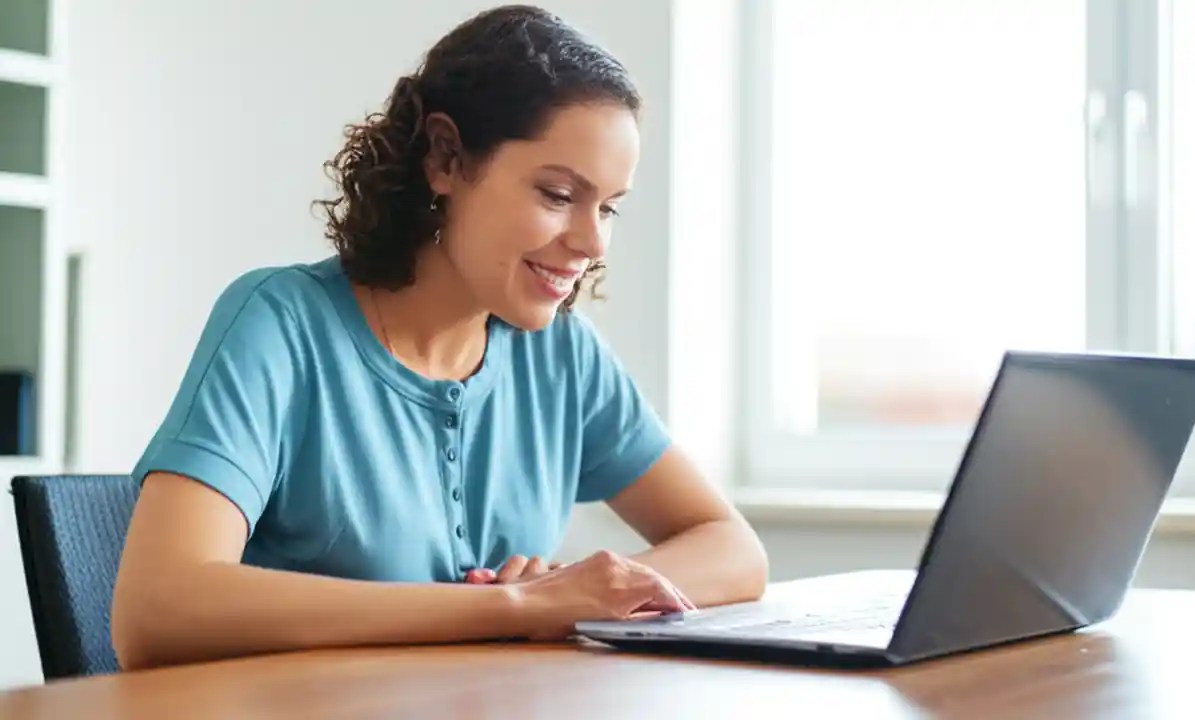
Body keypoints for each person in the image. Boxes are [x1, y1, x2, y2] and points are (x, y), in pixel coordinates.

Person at [111, 4, 768, 670]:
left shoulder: (563, 356)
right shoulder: (280, 326)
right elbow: (157, 608)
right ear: (445, 158)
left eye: (608, 206)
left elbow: (733, 549)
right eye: (557, 193)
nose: (593, 242)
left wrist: (585, 589)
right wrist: (517, 607)